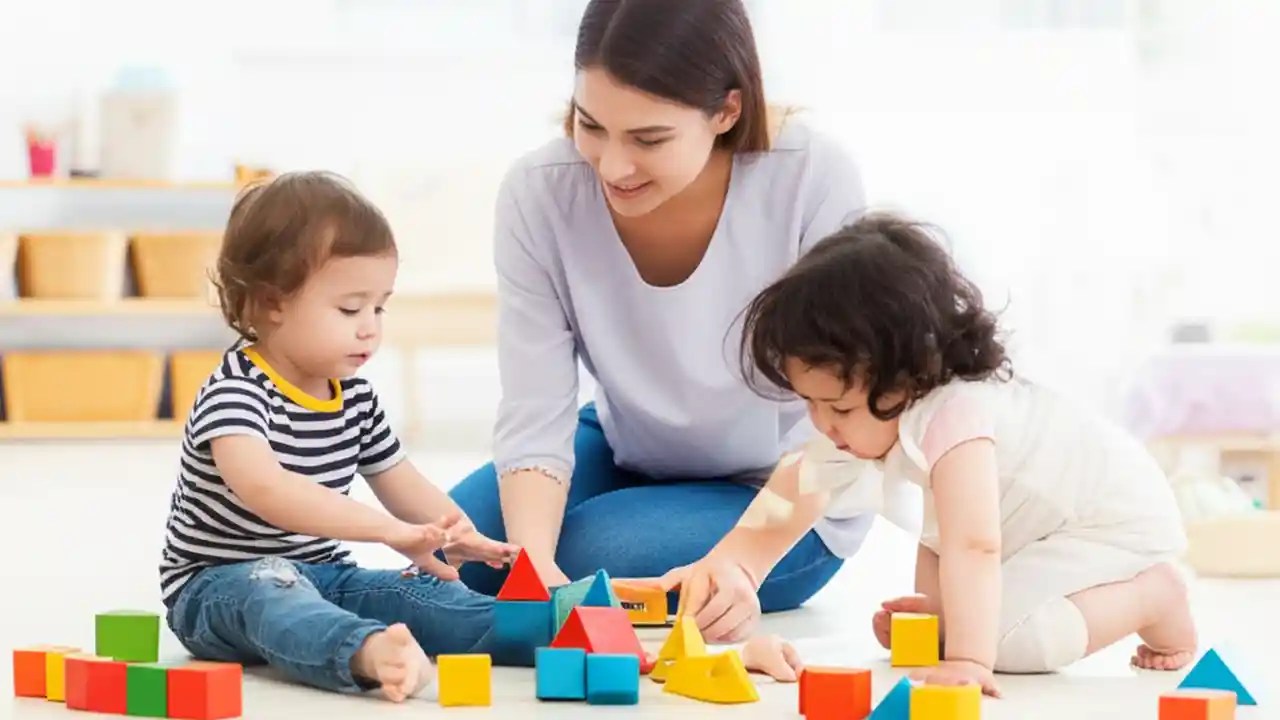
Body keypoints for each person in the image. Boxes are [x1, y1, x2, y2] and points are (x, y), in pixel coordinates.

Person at [448, 0, 873, 635]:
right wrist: (532, 572)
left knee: (593, 555)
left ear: (727, 110)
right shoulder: (540, 192)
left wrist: (739, 564)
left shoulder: (809, 178)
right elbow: (535, 408)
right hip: (632, 443)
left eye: (649, 139)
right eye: (590, 125)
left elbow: (848, 425)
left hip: (782, 494)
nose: (613, 167)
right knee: (461, 547)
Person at [688, 212, 1195, 695]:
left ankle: (1154, 594)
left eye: (837, 406)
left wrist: (967, 660)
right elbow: (799, 487)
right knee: (963, 615)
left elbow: (972, 546)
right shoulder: (886, 410)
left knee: (1005, 642)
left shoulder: (956, 415)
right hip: (1041, 522)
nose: (822, 424)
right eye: (810, 404)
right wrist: (734, 564)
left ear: (908, 375)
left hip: (1108, 522)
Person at [158, 172, 520, 702]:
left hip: (325, 575)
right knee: (271, 593)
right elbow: (271, 492)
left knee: (419, 592)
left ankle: (541, 629)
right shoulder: (235, 391)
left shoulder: (354, 396)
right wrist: (388, 531)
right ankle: (365, 652)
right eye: (350, 309)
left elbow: (399, 479)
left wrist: (456, 533)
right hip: (217, 588)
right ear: (271, 302)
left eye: (380, 306)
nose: (370, 326)